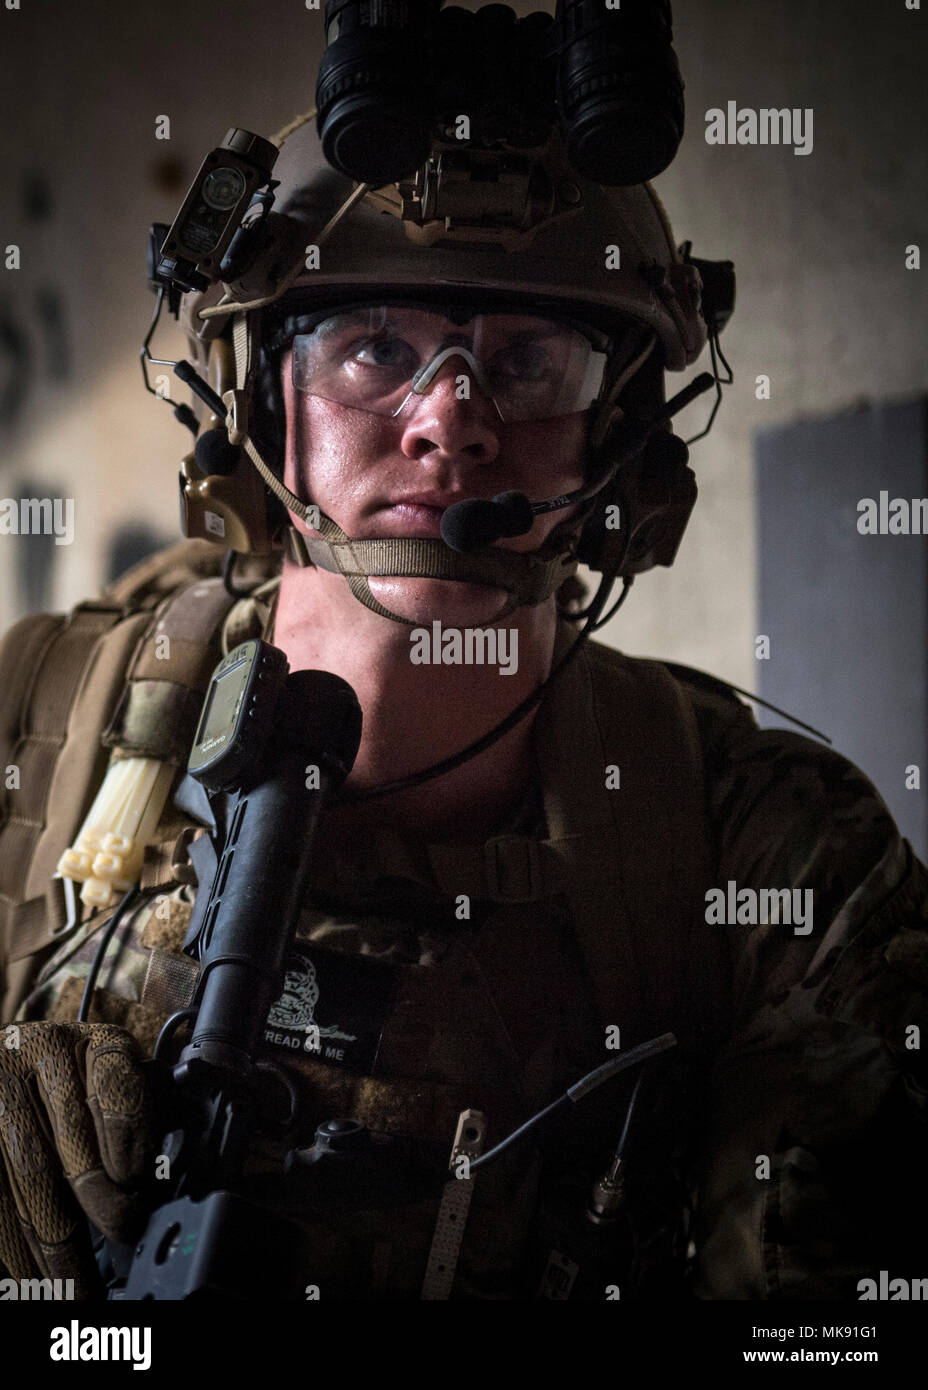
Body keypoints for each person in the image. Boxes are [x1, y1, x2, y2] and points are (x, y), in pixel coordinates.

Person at [0, 98, 926, 1304]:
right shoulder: (37, 722)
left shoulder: (777, 847)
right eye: (375, 349)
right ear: (249, 393)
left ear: (621, 437)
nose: (453, 419)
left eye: (528, 361)